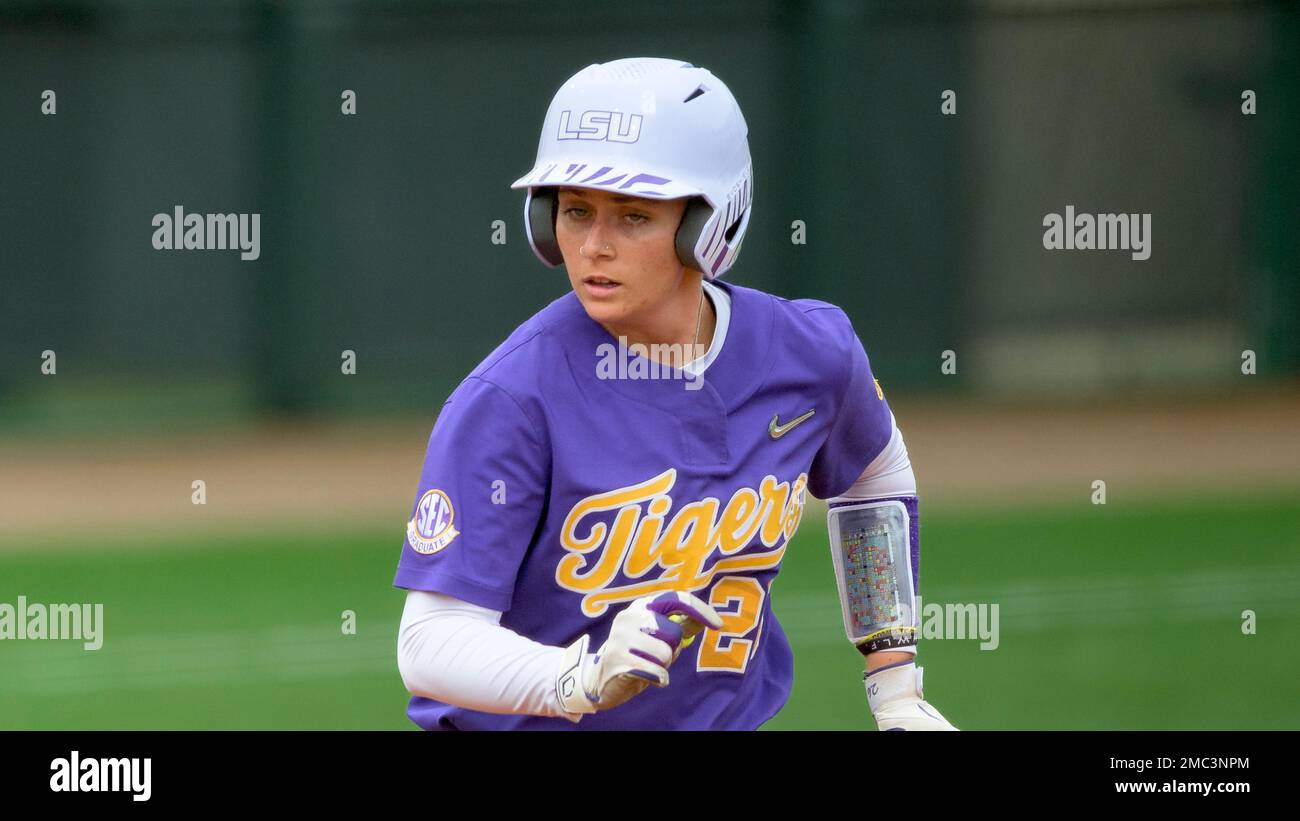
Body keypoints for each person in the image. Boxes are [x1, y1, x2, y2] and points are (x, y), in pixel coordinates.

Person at [393, 57, 956, 731]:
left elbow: (875, 477)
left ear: (710, 226)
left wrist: (895, 687)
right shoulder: (511, 400)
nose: (594, 246)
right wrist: (581, 677)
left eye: (633, 216)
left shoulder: (811, 354)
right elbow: (429, 643)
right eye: (574, 211)